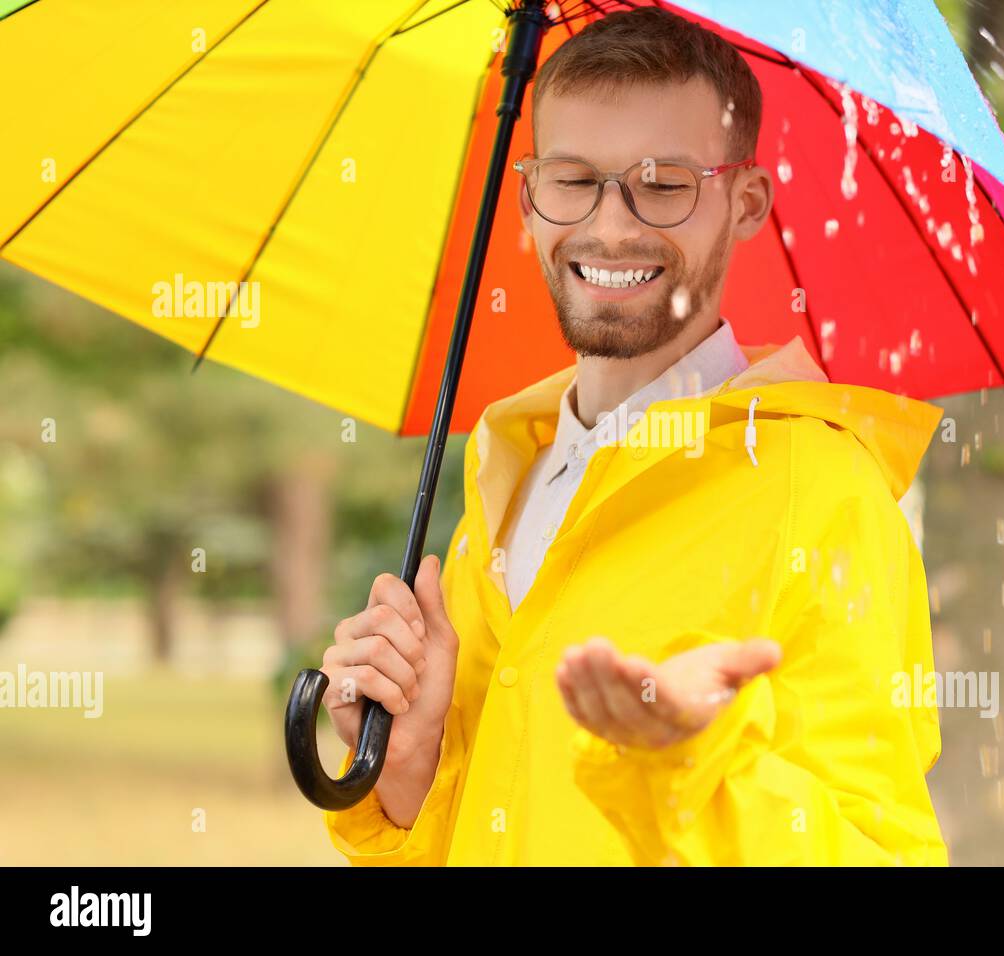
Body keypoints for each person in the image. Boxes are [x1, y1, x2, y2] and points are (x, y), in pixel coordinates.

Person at [317, 5, 948, 866]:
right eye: (573, 180)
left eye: (663, 184)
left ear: (746, 201)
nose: (611, 227)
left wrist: (691, 767)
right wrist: (407, 773)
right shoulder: (505, 487)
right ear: (528, 201)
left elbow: (886, 856)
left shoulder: (824, 494)